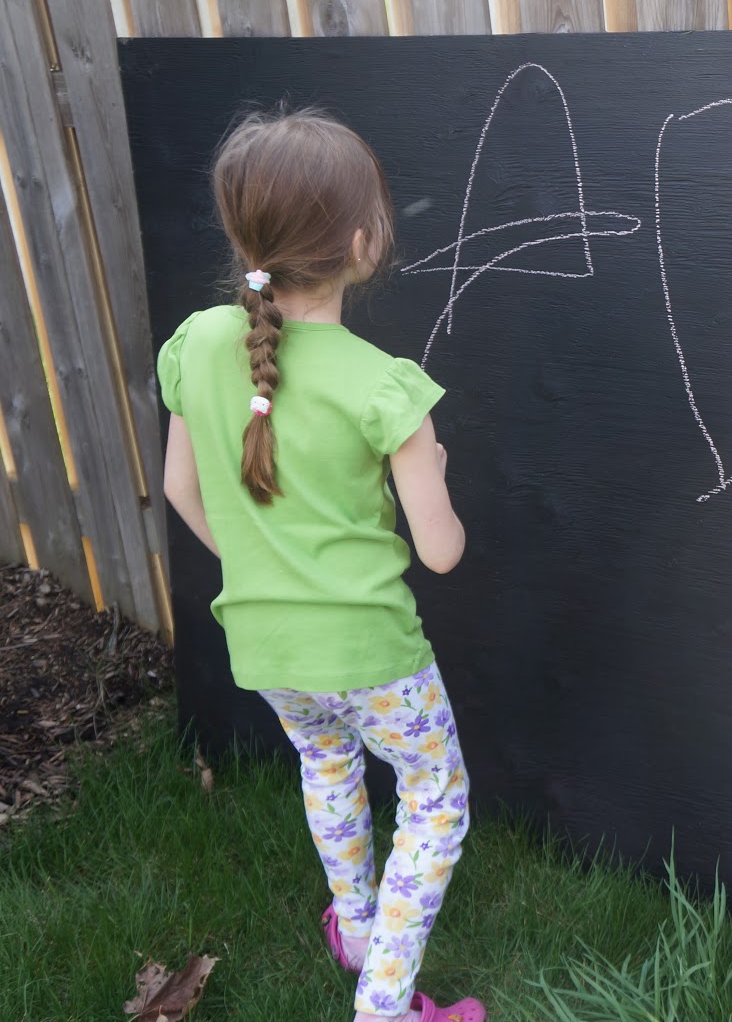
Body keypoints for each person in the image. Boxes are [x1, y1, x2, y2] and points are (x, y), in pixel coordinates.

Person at [158, 108, 481, 1022]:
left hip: (265, 647)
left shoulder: (197, 344)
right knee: (434, 800)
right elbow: (443, 552)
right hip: (374, 653)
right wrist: (439, 469)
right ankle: (384, 1003)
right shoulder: (386, 387)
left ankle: (354, 924)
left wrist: (266, 566)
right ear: (363, 241)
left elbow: (183, 489)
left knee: (327, 764)